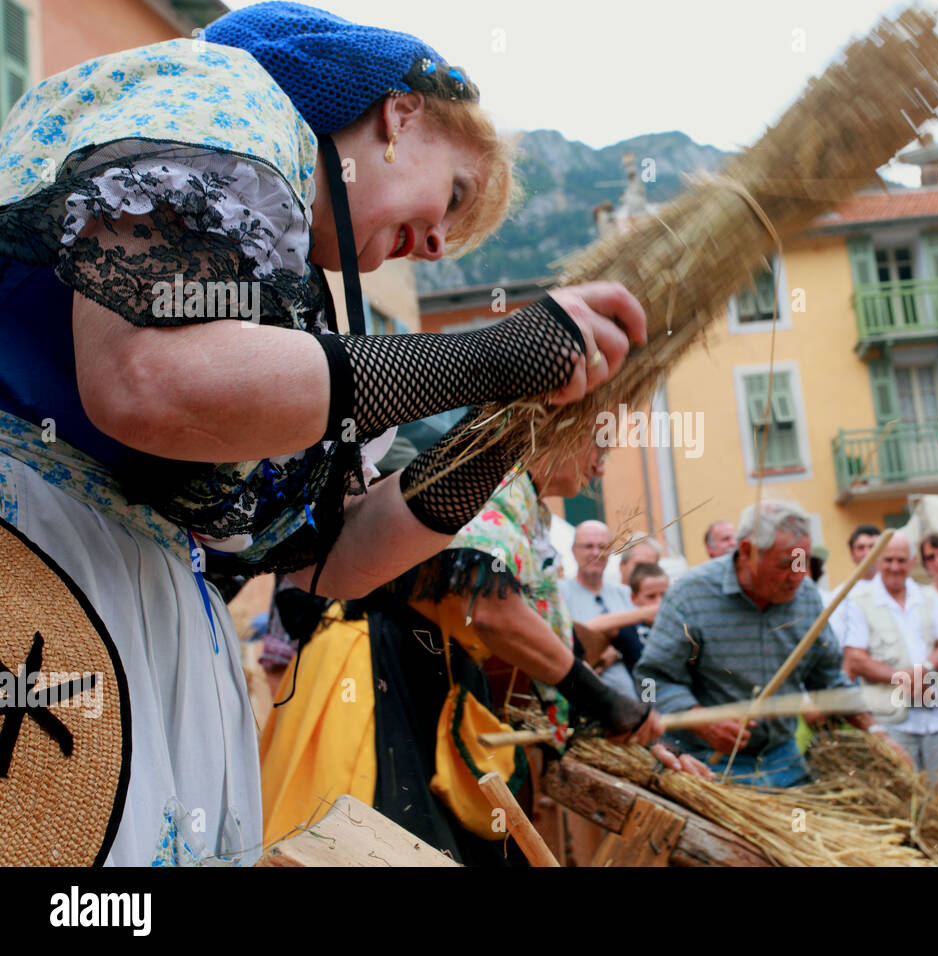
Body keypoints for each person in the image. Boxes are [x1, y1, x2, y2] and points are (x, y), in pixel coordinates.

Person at [0, 2, 648, 865]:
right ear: (398, 114)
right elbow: (143, 381)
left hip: (146, 611)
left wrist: (505, 430)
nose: (434, 242)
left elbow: (329, 561)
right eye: (451, 194)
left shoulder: (287, 304)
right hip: (35, 559)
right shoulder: (220, 95)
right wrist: (489, 356)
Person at [259, 430, 686, 864]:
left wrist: (627, 721)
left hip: (428, 679)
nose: (600, 465)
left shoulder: (526, 506)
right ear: (556, 430)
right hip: (373, 676)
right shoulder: (493, 484)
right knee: (362, 847)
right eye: (597, 447)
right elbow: (490, 607)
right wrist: (603, 701)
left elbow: (541, 632)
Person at [636, 500, 885, 787]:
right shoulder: (690, 595)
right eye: (784, 564)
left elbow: (829, 679)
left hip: (785, 761)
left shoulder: (806, 598)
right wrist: (699, 719)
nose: (797, 576)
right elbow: (650, 681)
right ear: (746, 553)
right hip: (709, 768)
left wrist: (876, 732)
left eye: (802, 561)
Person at [841, 534, 938, 799]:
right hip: (891, 717)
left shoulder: (929, 596)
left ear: (912, 562)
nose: (895, 567)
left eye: (901, 560)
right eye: (888, 560)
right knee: (901, 796)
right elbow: (855, 657)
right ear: (877, 560)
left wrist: (923, 669)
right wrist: (902, 678)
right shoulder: (859, 600)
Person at [559, 521, 654, 699]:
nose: (596, 553)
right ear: (573, 551)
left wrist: (616, 652)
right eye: (588, 546)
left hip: (639, 697)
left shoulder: (626, 595)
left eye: (603, 546)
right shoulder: (559, 594)